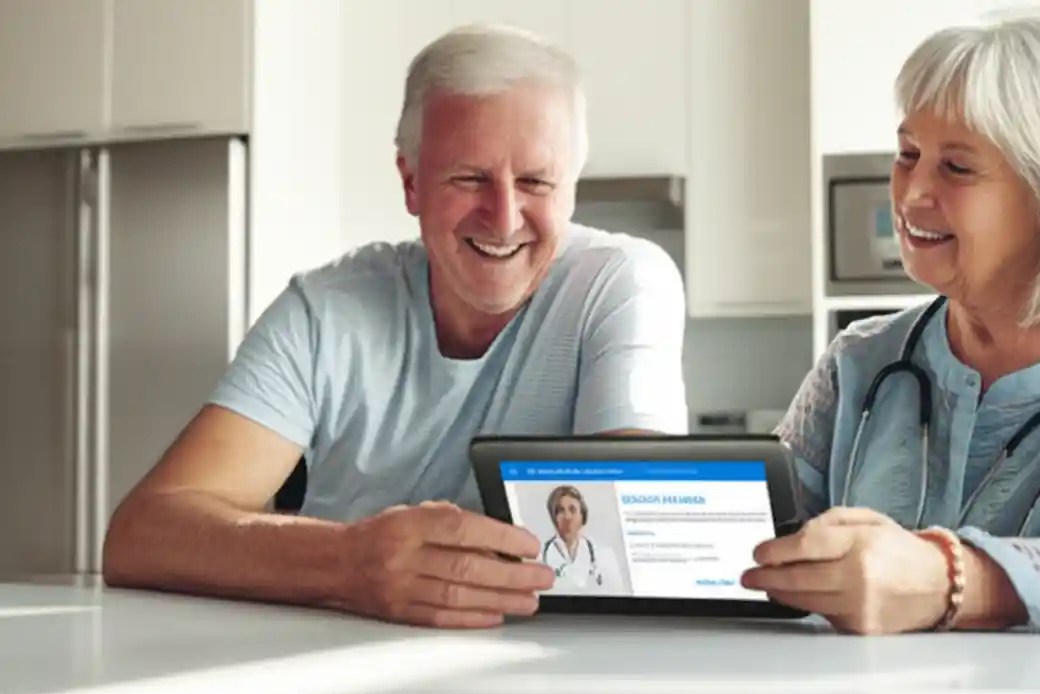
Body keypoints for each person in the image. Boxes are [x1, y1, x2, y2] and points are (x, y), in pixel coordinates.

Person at [101, 24, 687, 629]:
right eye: (469, 178)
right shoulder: (326, 309)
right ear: (411, 182)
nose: (505, 217)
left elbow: (636, 529)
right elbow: (142, 533)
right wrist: (349, 562)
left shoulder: (622, 283)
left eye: (536, 182)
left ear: (570, 189)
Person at [741, 9, 1040, 643]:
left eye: (956, 168)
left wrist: (946, 576)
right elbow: (753, 537)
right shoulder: (861, 359)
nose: (911, 194)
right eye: (908, 154)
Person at [540, 485, 625, 594]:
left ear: (582, 514)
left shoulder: (604, 554)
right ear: (553, 517)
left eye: (572, 509)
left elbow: (618, 595)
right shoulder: (540, 557)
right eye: (560, 510)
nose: (567, 516)